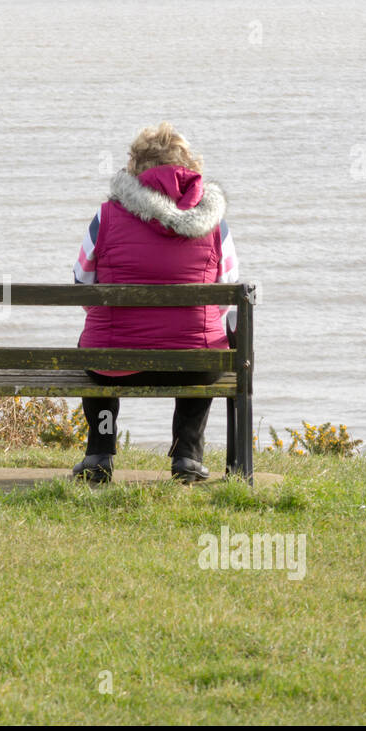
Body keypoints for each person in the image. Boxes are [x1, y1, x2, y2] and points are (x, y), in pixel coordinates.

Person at [71, 122, 239, 484]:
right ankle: (187, 456)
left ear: (135, 167)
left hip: (113, 359)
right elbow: (226, 289)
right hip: (194, 364)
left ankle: (99, 454)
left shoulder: (107, 216)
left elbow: (82, 285)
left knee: (96, 353)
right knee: (205, 350)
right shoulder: (215, 224)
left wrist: (111, 316)